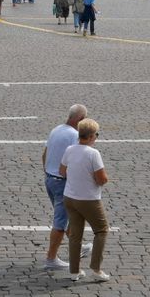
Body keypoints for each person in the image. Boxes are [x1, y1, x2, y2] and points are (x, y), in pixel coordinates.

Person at [59, 117, 112, 283]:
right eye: (96, 134)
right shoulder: (93, 153)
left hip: (70, 196)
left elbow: (62, 171)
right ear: (90, 136)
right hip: (88, 199)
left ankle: (74, 271)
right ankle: (96, 269)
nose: (96, 137)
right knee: (101, 230)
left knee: (75, 235)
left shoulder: (70, 149)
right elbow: (101, 179)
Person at [41, 104, 90, 271]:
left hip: (50, 179)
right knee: (60, 222)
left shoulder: (56, 129)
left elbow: (44, 154)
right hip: (61, 182)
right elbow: (76, 162)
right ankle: (51, 258)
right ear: (80, 120)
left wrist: (48, 173)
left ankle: (79, 245)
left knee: (69, 216)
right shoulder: (74, 135)